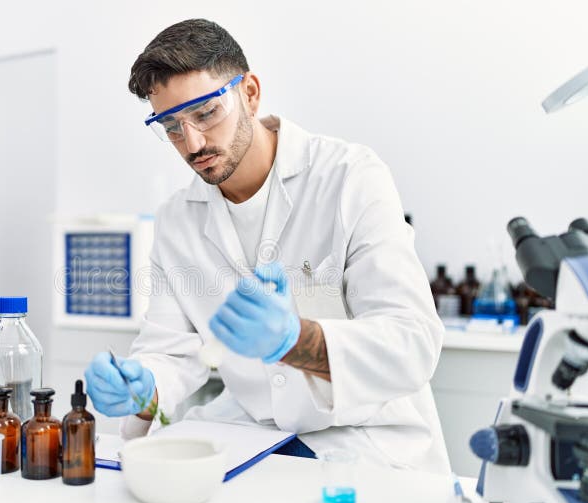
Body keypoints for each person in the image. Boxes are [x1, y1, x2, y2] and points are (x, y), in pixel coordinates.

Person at [84, 18, 450, 473]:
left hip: (369, 444)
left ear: (250, 93)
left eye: (205, 113)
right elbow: (171, 352)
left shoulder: (348, 176)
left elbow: (412, 343)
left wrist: (295, 340)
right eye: (171, 126)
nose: (192, 142)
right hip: (254, 438)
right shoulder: (178, 219)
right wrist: (143, 391)